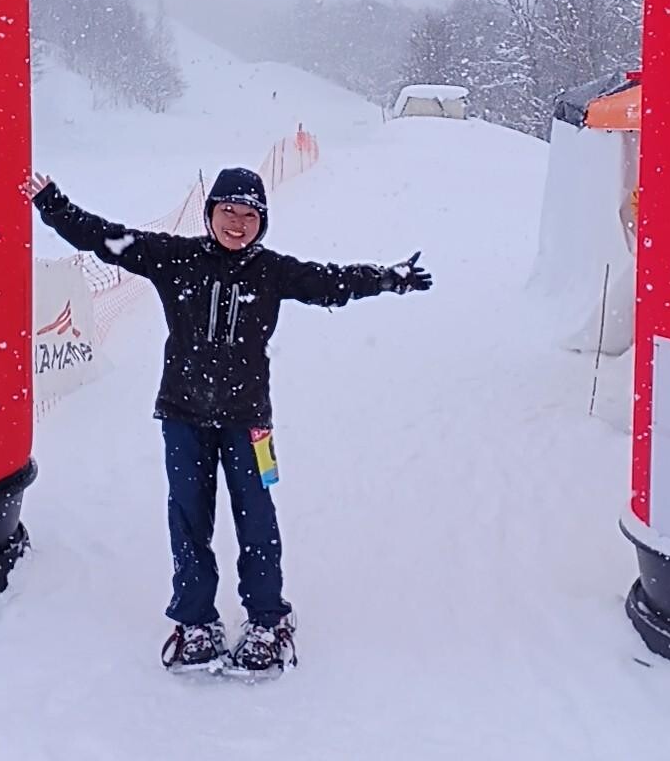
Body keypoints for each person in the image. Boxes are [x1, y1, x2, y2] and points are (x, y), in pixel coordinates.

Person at [29, 166, 432, 674]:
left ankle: (268, 620)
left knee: (256, 515)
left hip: (248, 420)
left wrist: (387, 278)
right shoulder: (175, 258)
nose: (237, 224)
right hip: (182, 415)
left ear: (261, 222)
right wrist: (54, 203)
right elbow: (104, 239)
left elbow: (332, 282)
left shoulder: (273, 270)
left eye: (249, 215)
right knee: (189, 517)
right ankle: (195, 621)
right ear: (210, 213)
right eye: (228, 211)